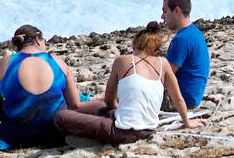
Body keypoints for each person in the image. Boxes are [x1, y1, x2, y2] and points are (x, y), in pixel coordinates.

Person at [54, 22, 200, 145]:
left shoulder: (122, 61)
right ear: (156, 49)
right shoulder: (164, 63)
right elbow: (178, 98)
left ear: (134, 44)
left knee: (61, 116)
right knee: (101, 109)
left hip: (121, 132)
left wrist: (112, 109)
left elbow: (109, 99)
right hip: (149, 129)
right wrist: (187, 122)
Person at [0, 23, 90, 148]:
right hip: (55, 133)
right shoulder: (58, 62)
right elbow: (75, 104)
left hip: (16, 137)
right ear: (38, 40)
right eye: (44, 40)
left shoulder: (3, 64)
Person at [160, 0, 210, 109]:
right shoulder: (194, 32)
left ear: (176, 11)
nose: (162, 16)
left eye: (165, 11)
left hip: (182, 98)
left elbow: (165, 76)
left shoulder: (182, 40)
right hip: (194, 95)